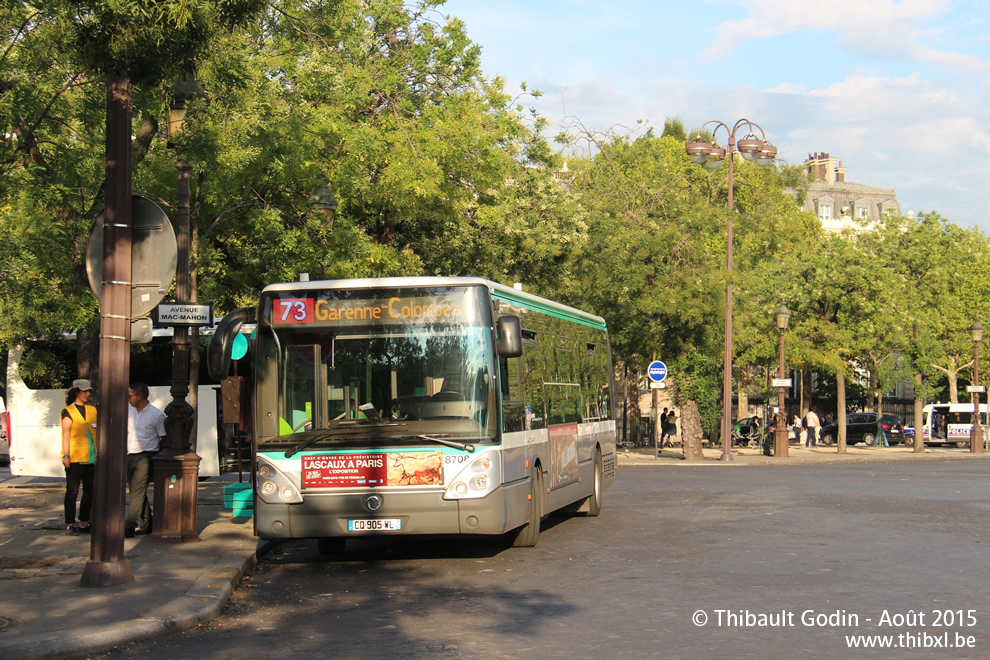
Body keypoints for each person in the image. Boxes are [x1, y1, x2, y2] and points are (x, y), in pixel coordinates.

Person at [126, 383, 166, 537]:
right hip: (131, 453)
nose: (128, 399)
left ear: (139, 396)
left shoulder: (156, 415)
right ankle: (149, 522)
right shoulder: (130, 413)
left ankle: (130, 524)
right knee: (136, 491)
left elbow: (163, 437)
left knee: (137, 492)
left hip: (147, 454)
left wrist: (156, 456)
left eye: (130, 396)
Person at [61, 379, 96, 535]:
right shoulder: (68, 411)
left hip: (91, 457)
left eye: (89, 391)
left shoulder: (93, 410)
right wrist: (66, 455)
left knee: (90, 490)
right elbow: (66, 435)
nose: (87, 394)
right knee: (72, 491)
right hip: (75, 457)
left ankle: (84, 521)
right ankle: (70, 523)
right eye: (84, 391)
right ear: (76, 392)